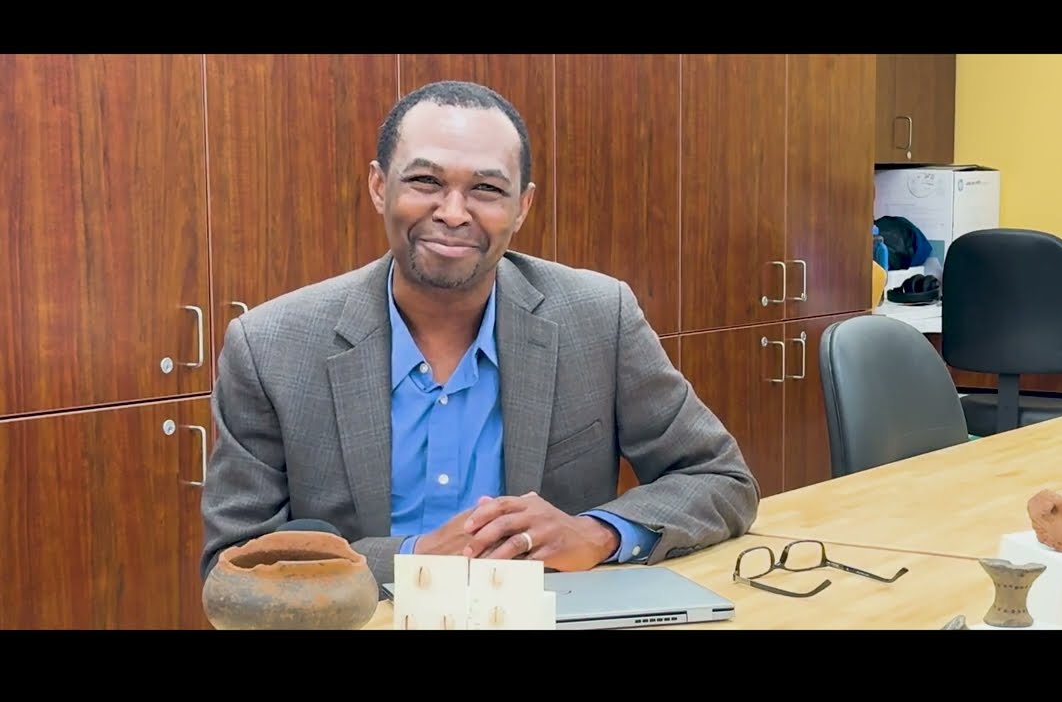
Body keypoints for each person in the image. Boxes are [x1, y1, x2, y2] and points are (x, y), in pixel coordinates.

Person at [200, 80, 760, 584]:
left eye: (487, 190)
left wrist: (598, 534)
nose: (453, 211)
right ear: (378, 187)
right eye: (425, 180)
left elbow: (719, 479)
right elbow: (233, 562)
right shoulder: (270, 346)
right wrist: (414, 556)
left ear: (522, 206)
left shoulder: (597, 318)